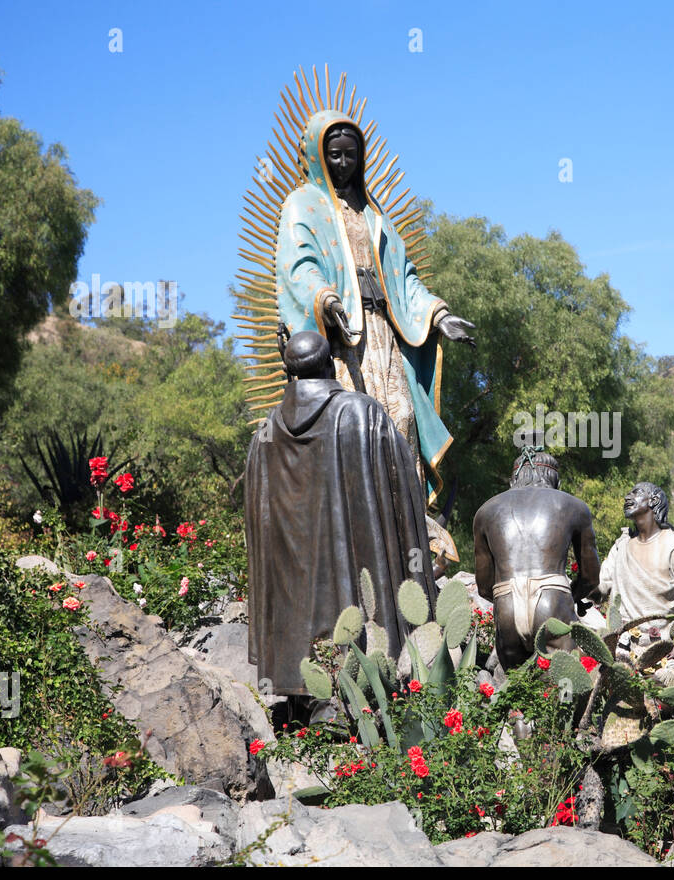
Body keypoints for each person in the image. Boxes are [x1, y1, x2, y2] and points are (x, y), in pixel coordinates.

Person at [276, 108, 475, 509]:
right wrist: (325, 299)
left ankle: (405, 520)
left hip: (384, 332)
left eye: (351, 154)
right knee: (353, 427)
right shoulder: (303, 205)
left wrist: (439, 315)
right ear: (318, 155)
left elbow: (404, 278)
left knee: (400, 421)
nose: (344, 163)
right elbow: (298, 267)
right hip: (342, 339)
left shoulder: (373, 213)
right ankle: (358, 518)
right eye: (335, 154)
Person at [244, 331, 437, 698]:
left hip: (291, 589)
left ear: (289, 371)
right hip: (356, 583)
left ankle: (301, 691)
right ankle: (361, 683)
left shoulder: (265, 432)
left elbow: (258, 519)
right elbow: (402, 489)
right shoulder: (362, 412)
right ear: (330, 363)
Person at [472, 448, 602, 670]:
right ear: (555, 481)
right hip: (552, 602)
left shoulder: (485, 511)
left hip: (507, 603)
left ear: (514, 479)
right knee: (562, 686)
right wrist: (571, 596)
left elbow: (484, 587)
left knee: (515, 692)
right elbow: (591, 576)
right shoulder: (573, 506)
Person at [593, 482, 674, 654]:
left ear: (654, 500)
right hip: (620, 646)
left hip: (662, 647)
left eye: (635, 492)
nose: (627, 497)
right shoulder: (621, 545)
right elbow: (598, 589)